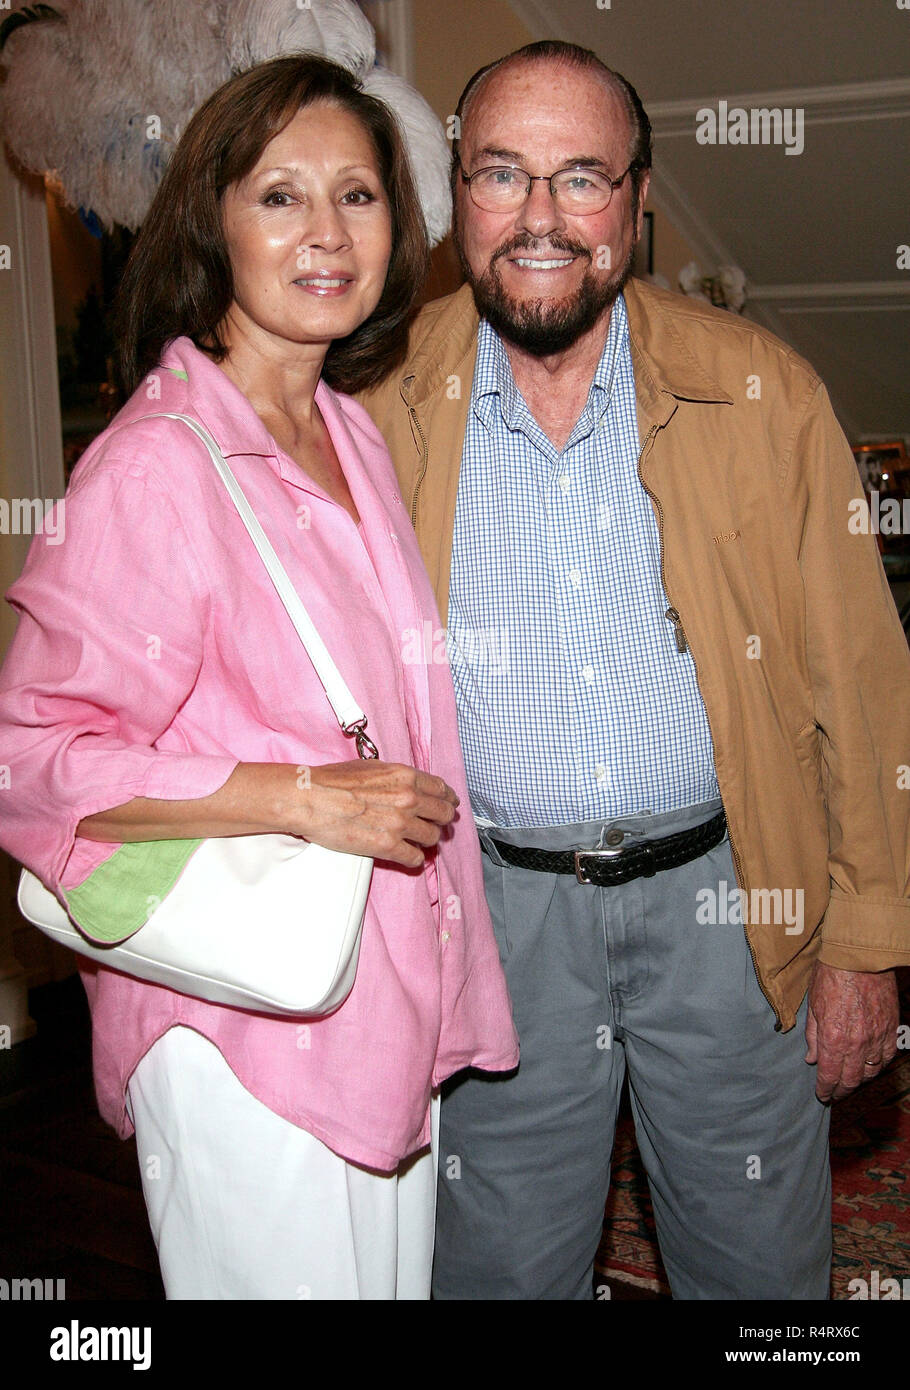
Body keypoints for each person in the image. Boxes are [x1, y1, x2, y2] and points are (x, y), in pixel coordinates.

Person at [359, 40, 910, 1299]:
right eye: (501, 175)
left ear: (640, 203)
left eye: (582, 178)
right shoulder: (380, 404)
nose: (540, 218)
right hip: (495, 920)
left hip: (728, 899)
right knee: (497, 1272)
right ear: (454, 196)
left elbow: (861, 686)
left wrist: (864, 945)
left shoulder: (762, 394)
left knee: (761, 1275)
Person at [0, 54, 518, 1301]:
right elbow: (29, 761)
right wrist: (296, 794)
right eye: (280, 196)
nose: (327, 233)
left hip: (375, 990)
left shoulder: (345, 429)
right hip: (245, 1030)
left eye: (358, 194)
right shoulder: (155, 470)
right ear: (212, 224)